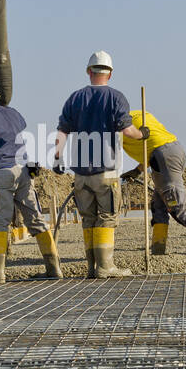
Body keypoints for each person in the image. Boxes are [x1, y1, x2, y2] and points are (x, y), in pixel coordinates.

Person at [54, 51, 148, 277]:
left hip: (81, 174)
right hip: (106, 170)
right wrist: (141, 134)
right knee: (106, 216)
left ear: (89, 72)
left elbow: (62, 132)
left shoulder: (75, 98)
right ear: (111, 73)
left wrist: (57, 157)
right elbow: (127, 129)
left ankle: (91, 267)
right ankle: (105, 267)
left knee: (88, 217)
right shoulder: (116, 98)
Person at [0, 83, 61, 283]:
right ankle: (53, 267)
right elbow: (20, 135)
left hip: (1, 173)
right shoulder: (14, 114)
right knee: (35, 217)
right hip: (24, 170)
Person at [120, 110, 186, 254]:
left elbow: (148, 144)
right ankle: (158, 250)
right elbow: (153, 143)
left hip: (163, 157)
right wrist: (138, 170)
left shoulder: (115, 125)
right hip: (174, 149)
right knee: (159, 206)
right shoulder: (138, 114)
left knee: (176, 204)